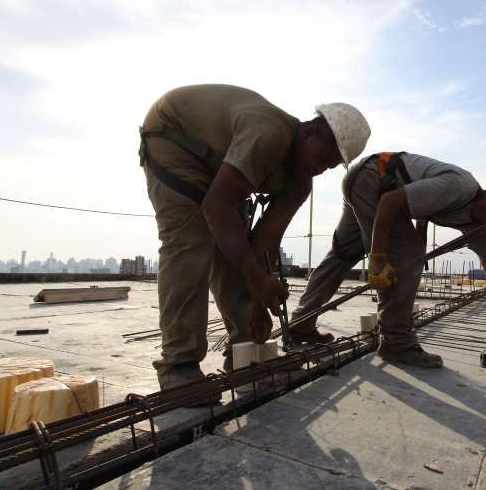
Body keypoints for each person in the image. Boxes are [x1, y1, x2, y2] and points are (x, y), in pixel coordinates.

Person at [139, 84, 371, 389]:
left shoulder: (300, 183)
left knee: (235, 248)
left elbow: (264, 244)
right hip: (173, 135)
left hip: (217, 164)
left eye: (329, 166)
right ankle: (178, 365)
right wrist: (256, 278)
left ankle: (244, 351)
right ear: (308, 133)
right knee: (192, 241)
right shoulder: (269, 134)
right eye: (321, 156)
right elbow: (216, 205)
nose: (319, 168)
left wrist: (260, 298)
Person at [289, 152, 486, 367]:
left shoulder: (477, 229)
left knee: (343, 253)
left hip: (364, 178)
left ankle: (301, 324)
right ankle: (396, 342)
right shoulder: (460, 187)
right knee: (409, 255)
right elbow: (391, 201)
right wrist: (378, 258)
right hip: (375, 180)